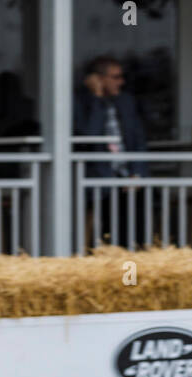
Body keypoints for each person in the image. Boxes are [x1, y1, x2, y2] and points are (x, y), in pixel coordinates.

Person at [75, 56, 150, 246]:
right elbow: (89, 135)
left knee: (138, 207)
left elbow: (138, 141)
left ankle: (133, 256)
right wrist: (97, 99)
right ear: (98, 79)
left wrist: (137, 173)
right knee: (102, 208)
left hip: (126, 176)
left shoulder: (126, 102)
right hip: (96, 177)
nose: (121, 82)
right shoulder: (79, 102)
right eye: (115, 77)